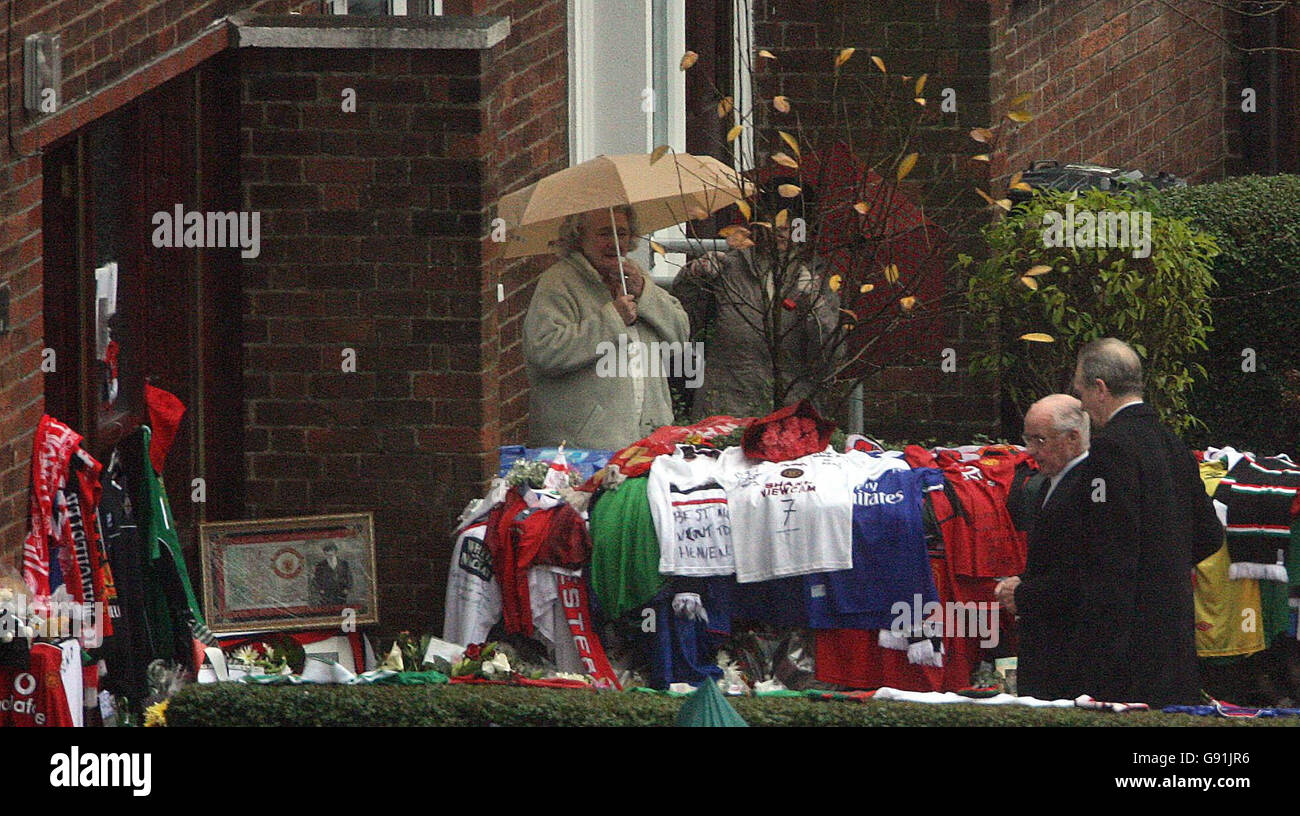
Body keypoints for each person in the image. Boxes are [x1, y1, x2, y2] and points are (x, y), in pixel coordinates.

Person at [1069, 337, 1222, 706]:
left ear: (1101, 389)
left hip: (1126, 639)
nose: (1081, 403)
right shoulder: (1173, 444)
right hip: (1175, 631)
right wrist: (1166, 569)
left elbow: (1110, 545)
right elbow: (1210, 534)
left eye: (1081, 391)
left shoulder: (1111, 448)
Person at [524, 206, 690, 450]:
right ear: (579, 238)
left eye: (621, 233)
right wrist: (612, 318)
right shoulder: (558, 283)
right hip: (584, 447)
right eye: (604, 234)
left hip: (648, 440)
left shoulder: (634, 276)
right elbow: (545, 351)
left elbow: (680, 336)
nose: (615, 243)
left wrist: (645, 292)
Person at [672, 185, 839, 418]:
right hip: (726, 407)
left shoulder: (823, 280)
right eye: (773, 220)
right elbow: (681, 326)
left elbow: (830, 357)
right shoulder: (729, 268)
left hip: (791, 412)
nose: (781, 229)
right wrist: (692, 278)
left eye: (792, 222)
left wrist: (815, 305)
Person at [994, 394, 1090, 701]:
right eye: (1027, 439)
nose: (1030, 452)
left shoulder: (1090, 485)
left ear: (1073, 438)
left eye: (1039, 440)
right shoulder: (1045, 483)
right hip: (1045, 644)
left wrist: (1022, 594)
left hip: (1074, 649)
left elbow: (1083, 573)